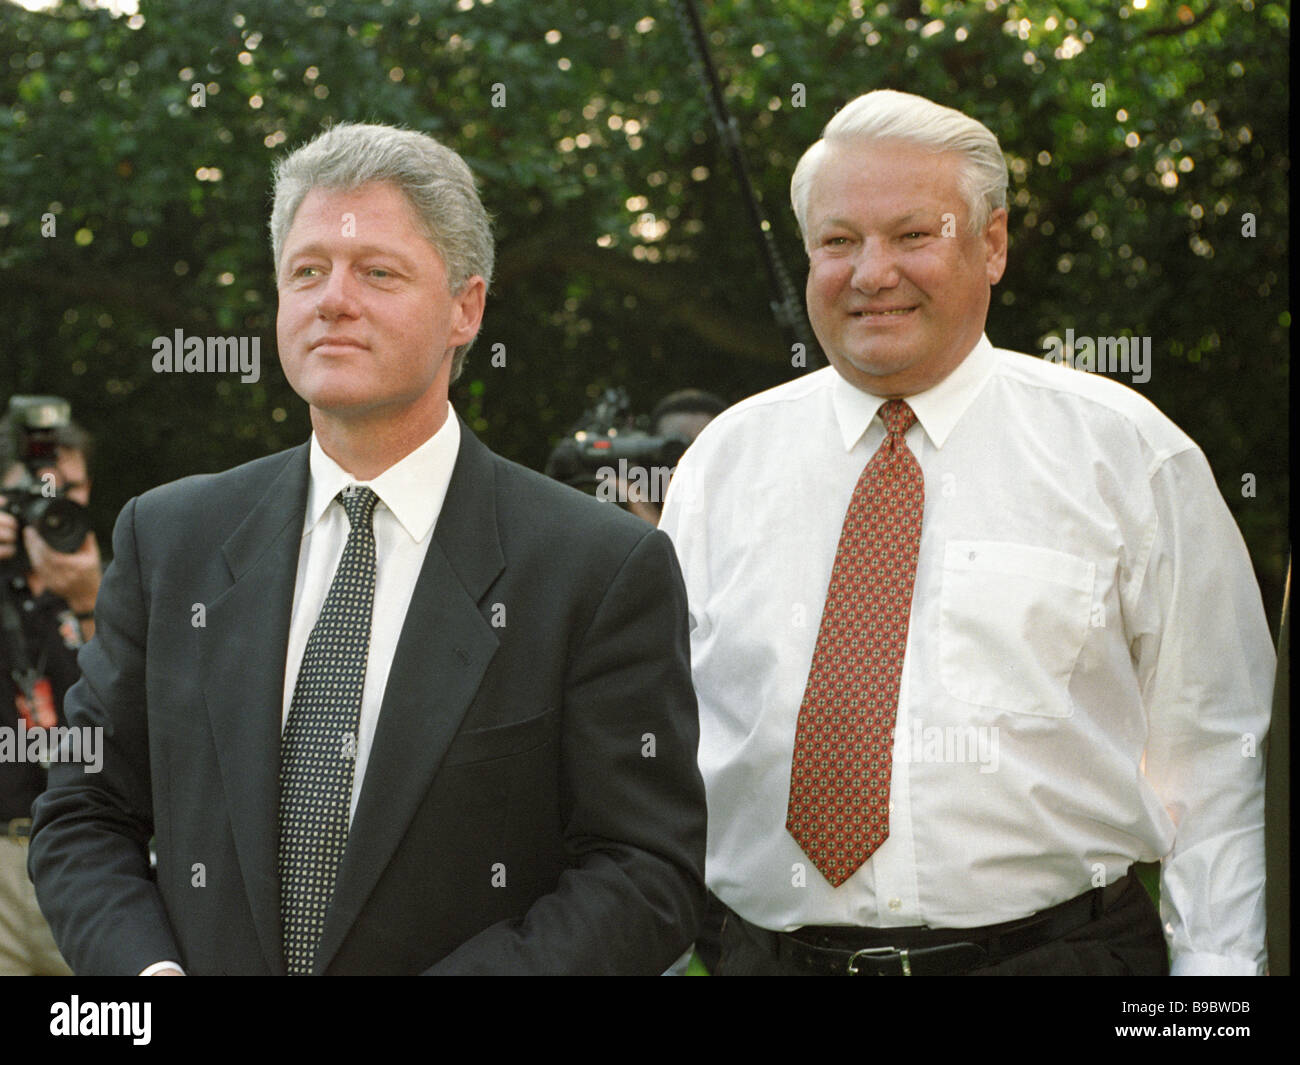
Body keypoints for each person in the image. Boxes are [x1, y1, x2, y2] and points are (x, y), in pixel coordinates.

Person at [29, 122, 707, 975]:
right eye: (307, 271)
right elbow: (84, 812)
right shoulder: (170, 539)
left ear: (467, 307)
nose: (333, 299)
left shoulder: (597, 569)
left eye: (378, 272)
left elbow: (645, 871)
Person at [657, 89, 1274, 976]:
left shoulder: (1127, 454)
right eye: (839, 241)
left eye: (914, 235)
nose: (872, 272)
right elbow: (658, 745)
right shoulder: (722, 464)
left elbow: (1216, 747)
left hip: (1056, 958)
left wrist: (1215, 993)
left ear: (992, 244)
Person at [0, 412, 99, 975]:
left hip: (83, 856)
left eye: (71, 489)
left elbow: (145, 712)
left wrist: (91, 604)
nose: (54, 503)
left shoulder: (106, 582)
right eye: (36, 492)